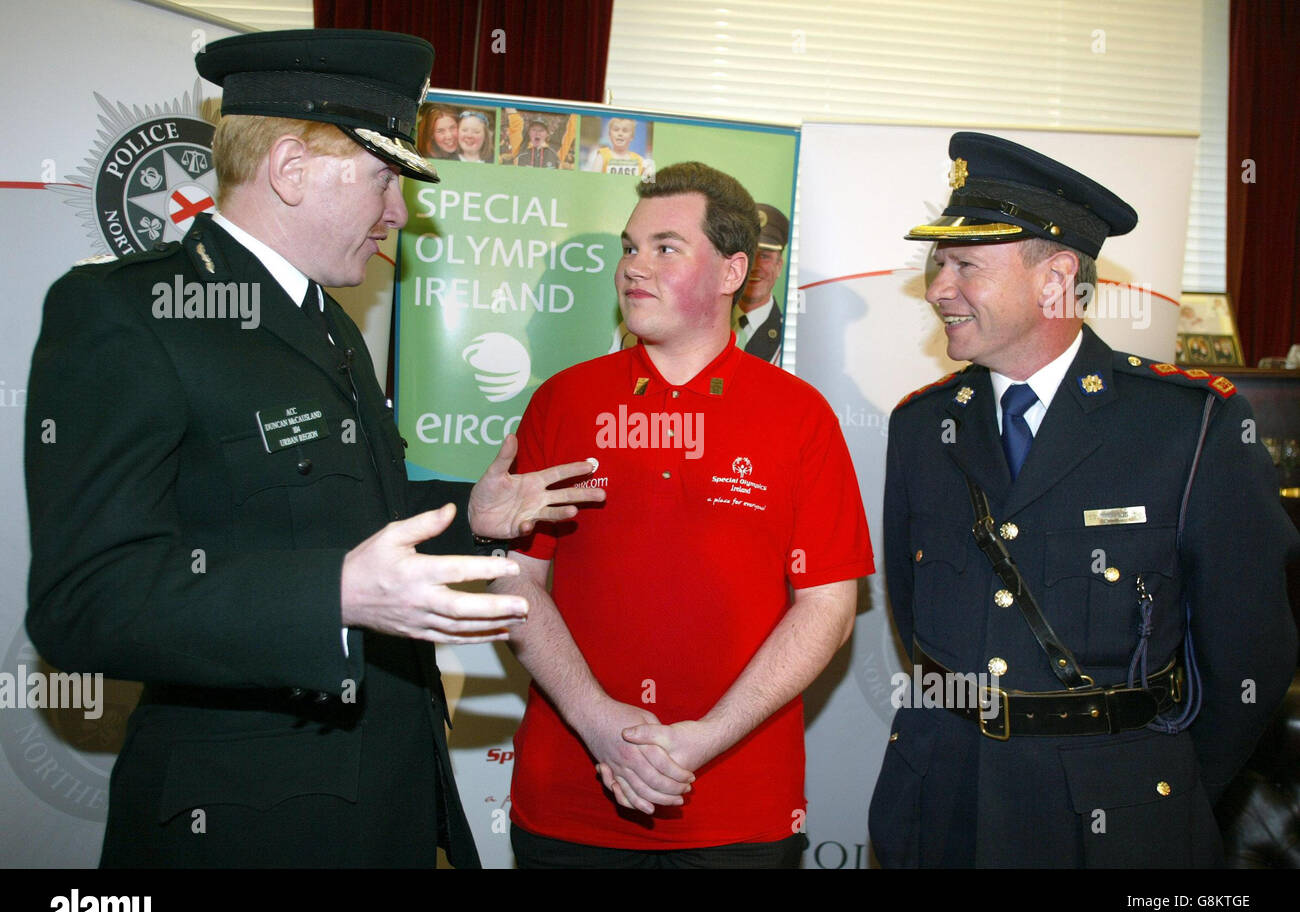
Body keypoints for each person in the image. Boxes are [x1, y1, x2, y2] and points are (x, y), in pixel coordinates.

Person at [23, 28, 603, 868]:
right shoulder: (127, 315)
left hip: (386, 800)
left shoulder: (327, 322)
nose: (399, 213)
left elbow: (345, 514)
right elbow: (83, 602)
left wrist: (471, 513)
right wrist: (331, 596)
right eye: (383, 179)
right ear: (291, 170)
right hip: (245, 827)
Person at [872, 131, 1299, 867]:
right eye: (939, 264)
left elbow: (1247, 654)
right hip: (944, 804)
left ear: (1056, 277)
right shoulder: (922, 426)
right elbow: (915, 623)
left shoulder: (1188, 425)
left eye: (965, 264)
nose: (939, 287)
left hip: (1114, 825)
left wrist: (1156, 781)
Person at [490, 161, 873, 868]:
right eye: (629, 248)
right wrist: (598, 721)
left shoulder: (799, 417)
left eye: (666, 247)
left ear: (733, 272)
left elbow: (827, 607)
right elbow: (516, 584)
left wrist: (704, 737)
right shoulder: (563, 403)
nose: (635, 267)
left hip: (739, 809)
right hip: (572, 799)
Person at [733, 202, 788, 363]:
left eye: (764, 256)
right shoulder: (705, 325)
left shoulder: (789, 336)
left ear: (779, 266)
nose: (755, 266)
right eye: (749, 255)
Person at [584, 117, 652, 178]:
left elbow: (649, 184)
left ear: (632, 137)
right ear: (609, 135)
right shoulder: (602, 156)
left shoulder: (639, 160)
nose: (620, 134)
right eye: (616, 130)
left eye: (625, 131)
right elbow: (593, 181)